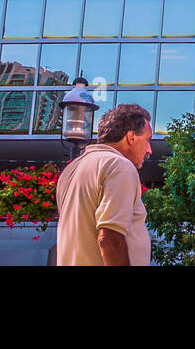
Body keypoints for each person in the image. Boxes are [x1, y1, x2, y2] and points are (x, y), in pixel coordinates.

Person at [55, 103, 154, 266]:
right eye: (148, 140)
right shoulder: (120, 166)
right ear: (131, 137)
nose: (149, 150)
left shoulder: (71, 169)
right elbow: (109, 238)